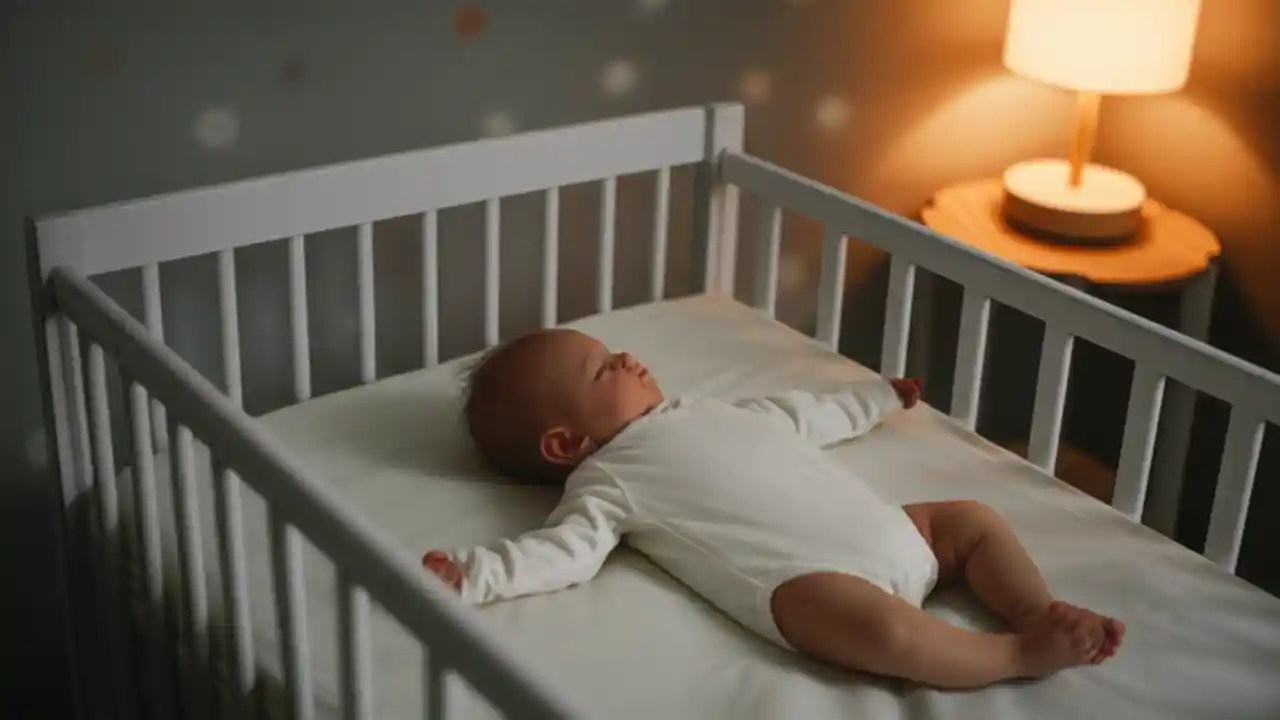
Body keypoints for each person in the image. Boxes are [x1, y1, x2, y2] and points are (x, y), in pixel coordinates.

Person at [423, 329, 1123, 687]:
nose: (630, 357)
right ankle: (1015, 654)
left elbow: (800, 416)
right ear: (566, 442)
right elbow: (563, 553)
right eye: (604, 368)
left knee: (970, 519)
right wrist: (476, 573)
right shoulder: (608, 481)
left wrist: (874, 398)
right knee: (891, 638)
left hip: (892, 531)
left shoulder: (708, 411)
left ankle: (1037, 610)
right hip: (811, 580)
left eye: (614, 349)